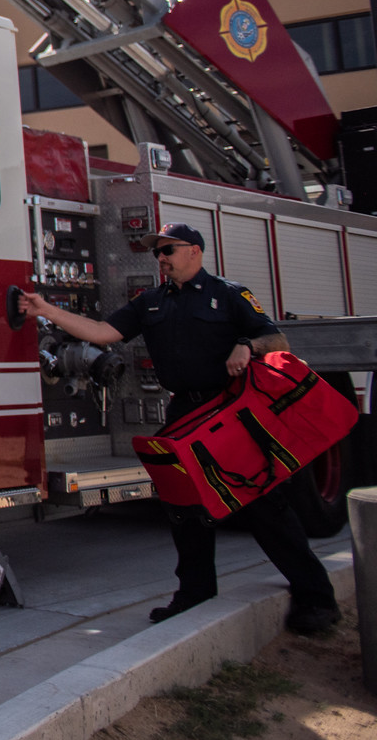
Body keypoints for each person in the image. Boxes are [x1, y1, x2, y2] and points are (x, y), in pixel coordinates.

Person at [25, 222, 339, 634]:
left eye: (169, 250)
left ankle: (317, 599)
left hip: (228, 410)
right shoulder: (150, 302)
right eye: (158, 252)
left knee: (264, 505)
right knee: (184, 506)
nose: (161, 259)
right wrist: (46, 310)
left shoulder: (229, 294)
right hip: (183, 416)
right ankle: (194, 592)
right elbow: (103, 333)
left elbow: (277, 340)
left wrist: (247, 345)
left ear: (195, 251)